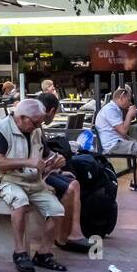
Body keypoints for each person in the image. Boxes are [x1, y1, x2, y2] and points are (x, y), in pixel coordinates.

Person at [0, 97, 70, 272]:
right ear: (22, 117)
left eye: (40, 122)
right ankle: (19, 252)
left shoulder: (36, 130)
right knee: (20, 201)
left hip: (32, 181)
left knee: (57, 210)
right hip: (5, 179)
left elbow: (44, 157)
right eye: (35, 122)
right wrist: (28, 162)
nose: (38, 126)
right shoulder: (2, 129)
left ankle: (43, 253)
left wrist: (55, 161)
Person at [37, 93, 95, 251]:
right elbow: (31, 160)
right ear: (52, 111)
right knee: (70, 187)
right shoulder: (33, 127)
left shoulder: (37, 126)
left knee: (74, 182)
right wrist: (52, 167)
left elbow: (43, 154)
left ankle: (75, 233)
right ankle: (64, 237)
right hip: (34, 176)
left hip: (43, 172)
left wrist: (56, 165)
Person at [95, 85, 137, 185]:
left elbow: (120, 132)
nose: (130, 103)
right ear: (121, 98)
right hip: (113, 145)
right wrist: (129, 114)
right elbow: (123, 131)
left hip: (117, 141)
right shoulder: (110, 110)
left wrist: (131, 140)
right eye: (128, 100)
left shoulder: (114, 109)